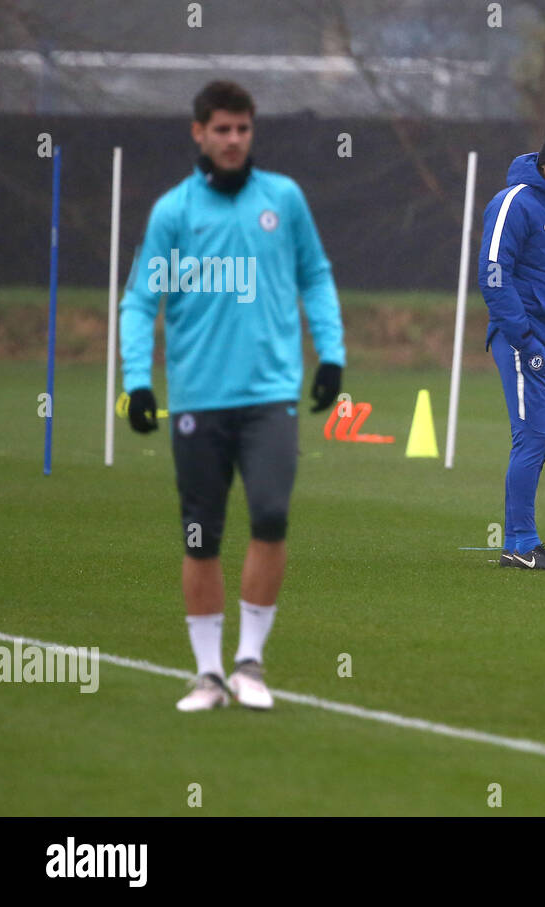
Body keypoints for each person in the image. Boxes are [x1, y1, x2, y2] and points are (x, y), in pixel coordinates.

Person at [120, 80, 345, 712]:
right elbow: (139, 302)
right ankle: (207, 673)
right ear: (199, 132)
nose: (233, 139)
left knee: (271, 516)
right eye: (221, 129)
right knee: (201, 536)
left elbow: (316, 275)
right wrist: (138, 380)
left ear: (252, 131)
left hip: (270, 395)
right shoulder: (173, 212)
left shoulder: (284, 199)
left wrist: (332, 353)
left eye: (242, 129)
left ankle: (250, 662)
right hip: (197, 400)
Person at [478, 118, 545, 570]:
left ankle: (520, 541)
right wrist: (523, 336)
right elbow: (493, 272)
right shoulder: (514, 203)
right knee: (534, 436)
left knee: (541, 440)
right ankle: (521, 544)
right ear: (542, 163)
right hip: (527, 340)